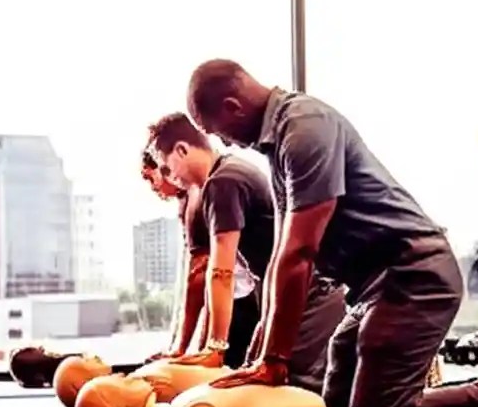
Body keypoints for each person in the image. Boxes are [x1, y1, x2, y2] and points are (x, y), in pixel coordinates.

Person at [182, 60, 478, 407]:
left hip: (414, 274)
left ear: (234, 107)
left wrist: (275, 359)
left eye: (218, 132)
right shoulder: (280, 143)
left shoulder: (304, 129)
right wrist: (261, 351)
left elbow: (300, 253)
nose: (226, 143)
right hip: (374, 288)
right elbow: (281, 259)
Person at [146, 112, 346, 392]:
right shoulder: (227, 173)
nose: (171, 178)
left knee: (288, 393)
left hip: (308, 295)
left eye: (167, 168)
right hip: (279, 296)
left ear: (182, 150)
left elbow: (220, 272)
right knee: (248, 379)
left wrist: (215, 347)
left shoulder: (222, 183)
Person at [140, 147, 210, 363]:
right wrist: (176, 346)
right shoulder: (186, 202)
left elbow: (203, 277)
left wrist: (184, 349)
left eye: (152, 178)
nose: (153, 188)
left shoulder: (199, 196)